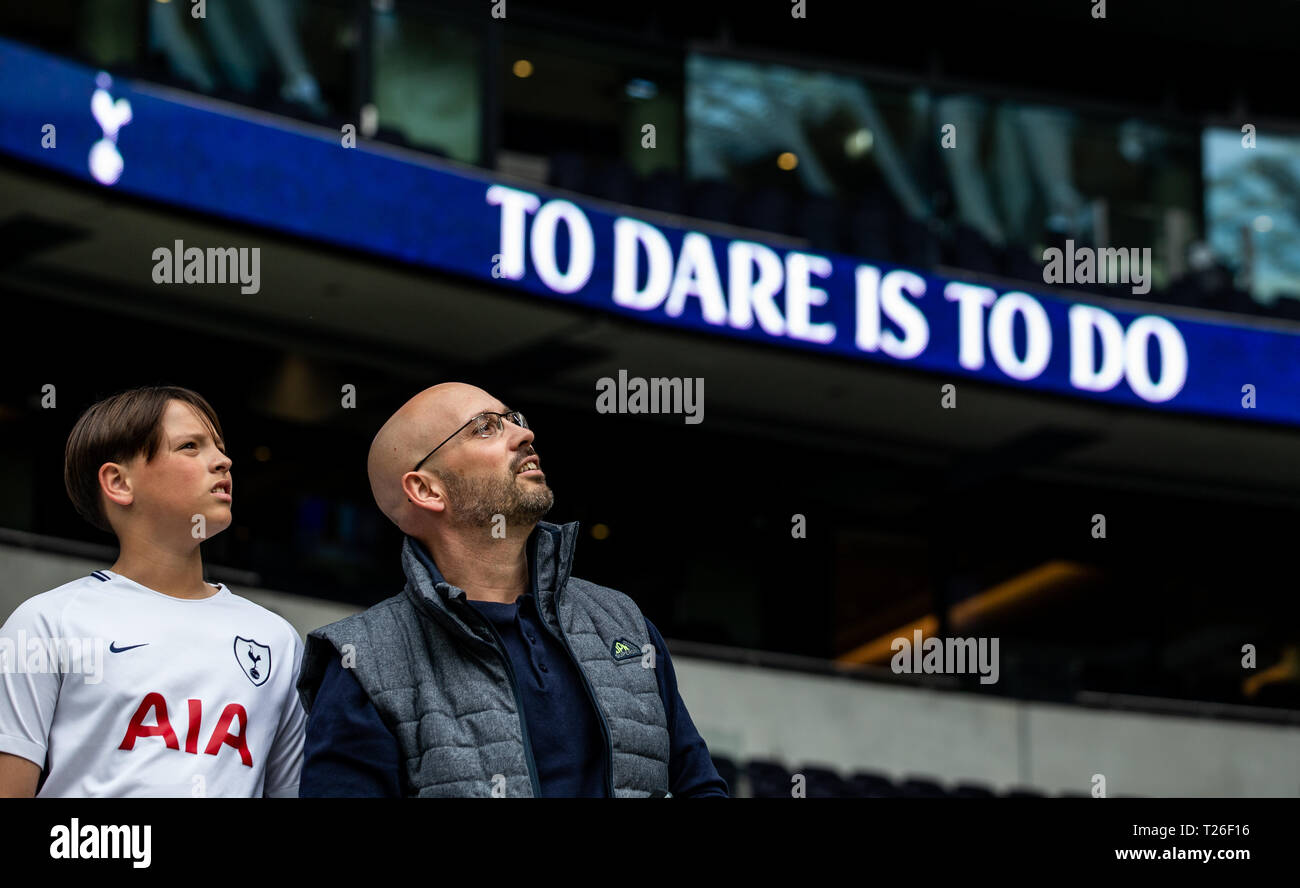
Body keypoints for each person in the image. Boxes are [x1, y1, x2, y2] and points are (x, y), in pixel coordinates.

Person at [297, 383, 728, 797]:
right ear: (426, 490)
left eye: (514, 418)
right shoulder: (362, 661)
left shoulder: (622, 621)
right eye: (485, 426)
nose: (525, 434)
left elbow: (698, 786)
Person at [0, 386, 306, 797]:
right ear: (118, 482)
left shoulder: (277, 639)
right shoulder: (46, 623)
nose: (223, 461)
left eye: (219, 446)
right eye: (190, 446)